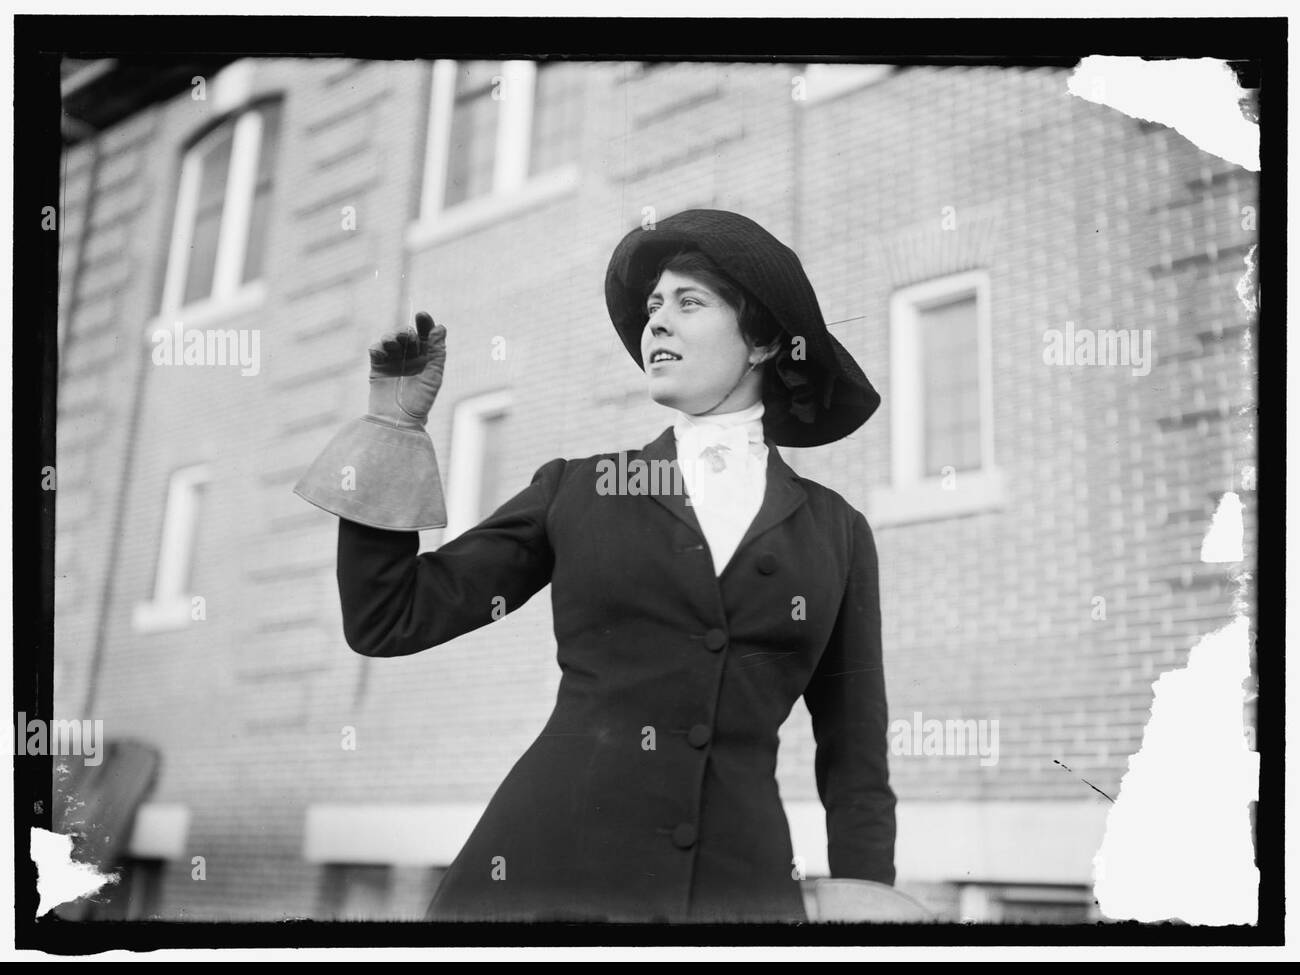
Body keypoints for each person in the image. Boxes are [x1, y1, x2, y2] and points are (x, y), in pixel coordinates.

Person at [294, 209, 897, 923]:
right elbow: (388, 618)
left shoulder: (838, 533)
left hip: (735, 902)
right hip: (543, 886)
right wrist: (393, 428)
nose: (658, 324)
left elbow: (856, 758)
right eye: (652, 307)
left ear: (764, 338)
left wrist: (869, 903)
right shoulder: (577, 491)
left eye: (689, 302)